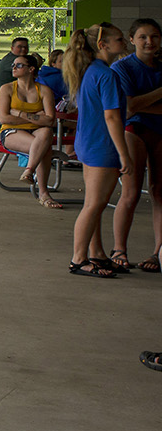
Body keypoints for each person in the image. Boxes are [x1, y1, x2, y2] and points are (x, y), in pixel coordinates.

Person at [65, 22, 135, 279]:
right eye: (119, 40)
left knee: (95, 203)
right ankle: (79, 259)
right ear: (103, 45)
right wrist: (124, 153)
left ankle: (96, 253)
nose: (124, 43)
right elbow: (112, 118)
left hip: (90, 142)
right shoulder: (106, 75)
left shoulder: (91, 71)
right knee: (95, 204)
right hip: (101, 146)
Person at [110, 18, 162, 273]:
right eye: (142, 37)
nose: (149, 42)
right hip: (135, 130)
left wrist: (144, 103)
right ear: (132, 40)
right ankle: (119, 248)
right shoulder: (123, 67)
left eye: (154, 36)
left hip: (159, 131)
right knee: (130, 193)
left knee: (159, 193)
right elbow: (130, 107)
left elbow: (138, 104)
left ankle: (157, 252)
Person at [0, 54, 61, 209]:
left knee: (46, 133)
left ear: (31, 69)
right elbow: (4, 119)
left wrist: (20, 113)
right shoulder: (7, 89)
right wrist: (36, 117)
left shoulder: (44, 90)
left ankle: (29, 170)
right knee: (44, 148)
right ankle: (43, 193)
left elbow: (50, 120)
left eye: (19, 65)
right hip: (12, 132)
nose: (14, 67)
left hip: (38, 132)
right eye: (13, 65)